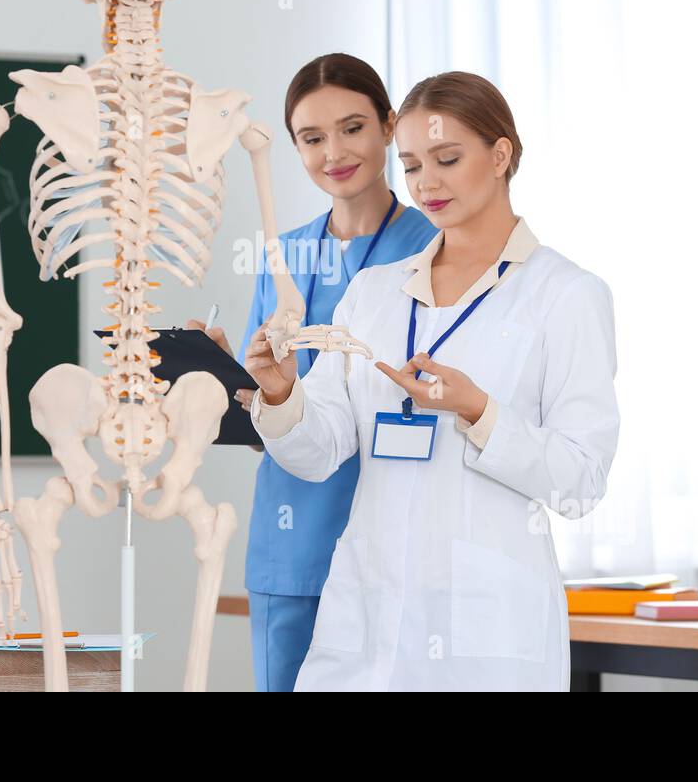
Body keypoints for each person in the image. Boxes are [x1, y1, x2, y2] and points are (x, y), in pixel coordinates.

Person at [243, 71, 619, 691]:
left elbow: (581, 480)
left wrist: (478, 410)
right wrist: (283, 393)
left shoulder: (566, 295)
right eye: (413, 164)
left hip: (487, 632)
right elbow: (318, 453)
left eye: (447, 158)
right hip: (364, 628)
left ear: (501, 155)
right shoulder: (373, 295)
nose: (427, 183)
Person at [191, 53, 437, 691]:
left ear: (389, 126)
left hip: (396, 544)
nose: (335, 152)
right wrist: (217, 374)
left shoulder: (434, 248)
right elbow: (259, 423)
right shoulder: (286, 255)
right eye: (311, 138)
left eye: (353, 128)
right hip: (292, 543)